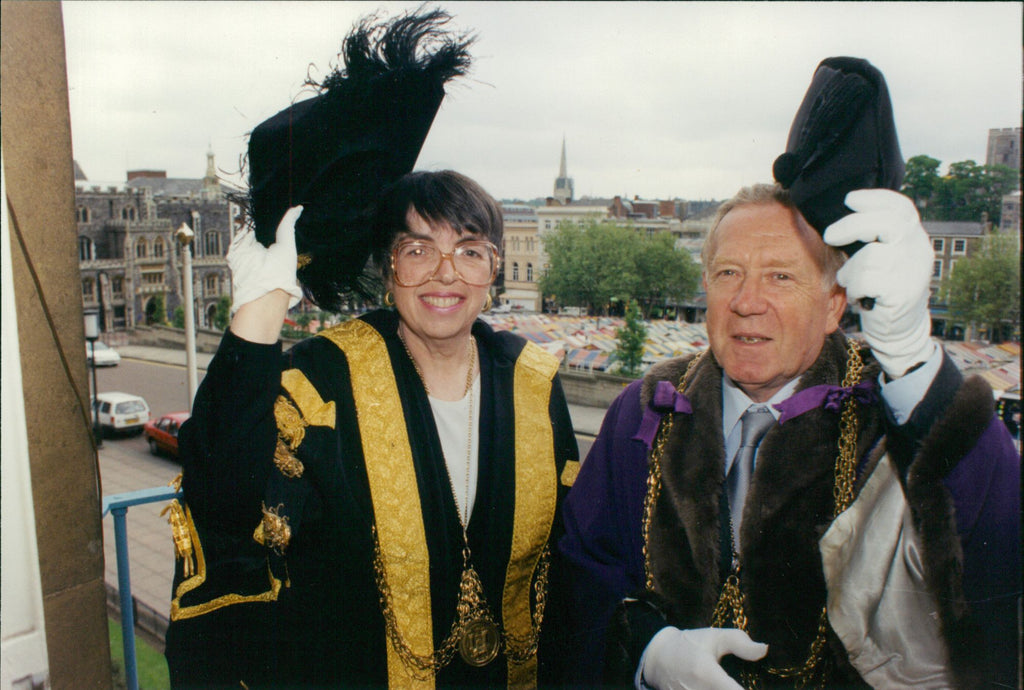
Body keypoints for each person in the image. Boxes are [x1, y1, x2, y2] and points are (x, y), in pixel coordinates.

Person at [163, 11, 577, 688]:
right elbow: (223, 497)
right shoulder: (321, 381)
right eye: (418, 250)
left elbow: (568, 566)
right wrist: (261, 310)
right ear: (386, 268)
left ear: (494, 270)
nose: (446, 273)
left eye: (469, 251)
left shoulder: (533, 380)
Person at [559, 182, 1020, 688]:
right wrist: (648, 649)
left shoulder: (888, 420)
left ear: (833, 305)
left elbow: (994, 552)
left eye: (780, 276)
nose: (746, 301)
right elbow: (579, 571)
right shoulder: (644, 410)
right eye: (728, 273)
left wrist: (914, 361)